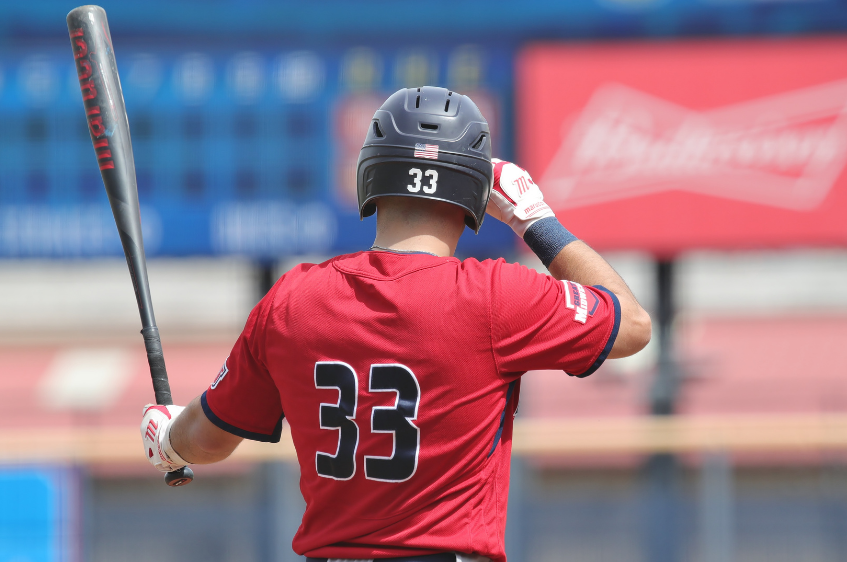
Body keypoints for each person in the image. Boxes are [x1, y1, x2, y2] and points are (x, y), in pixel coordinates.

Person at [140, 86, 651, 562]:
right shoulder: (497, 296)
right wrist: (534, 221)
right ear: (475, 194)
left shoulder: (292, 300)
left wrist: (167, 441)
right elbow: (631, 324)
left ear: (371, 177)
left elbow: (205, 439)